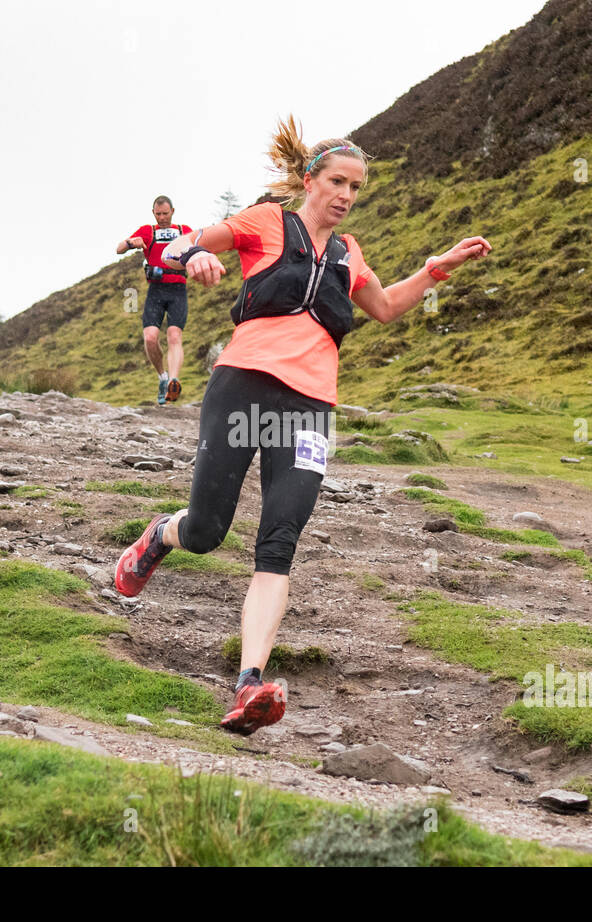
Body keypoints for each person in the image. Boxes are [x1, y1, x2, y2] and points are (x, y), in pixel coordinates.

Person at [113, 116, 490, 734]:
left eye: (357, 188)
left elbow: (387, 308)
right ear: (309, 180)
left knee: (279, 542)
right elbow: (193, 241)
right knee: (207, 530)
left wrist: (437, 266)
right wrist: (192, 255)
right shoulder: (267, 222)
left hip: (312, 407)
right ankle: (160, 536)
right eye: (337, 182)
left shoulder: (348, 253)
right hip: (244, 388)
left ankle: (248, 685)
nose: (346, 196)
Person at [117, 196, 193, 404]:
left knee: (173, 335)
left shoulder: (184, 230)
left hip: (178, 289)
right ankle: (163, 377)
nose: (162, 218)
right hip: (156, 290)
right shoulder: (147, 230)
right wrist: (131, 243)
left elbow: (199, 248)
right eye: (158, 214)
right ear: (153, 213)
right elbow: (118, 249)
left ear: (173, 211)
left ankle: (174, 382)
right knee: (150, 338)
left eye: (165, 214)